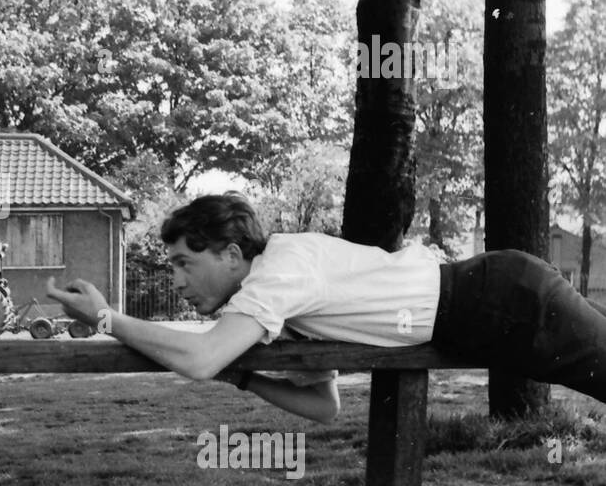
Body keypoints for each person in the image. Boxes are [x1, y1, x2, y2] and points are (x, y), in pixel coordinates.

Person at [46, 192, 606, 424]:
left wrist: (106, 319)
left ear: (231, 253)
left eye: (184, 263)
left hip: (505, 301)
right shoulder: (276, 295)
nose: (177, 280)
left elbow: (198, 360)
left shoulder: (280, 274)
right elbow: (324, 406)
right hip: (490, 311)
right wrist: (245, 379)